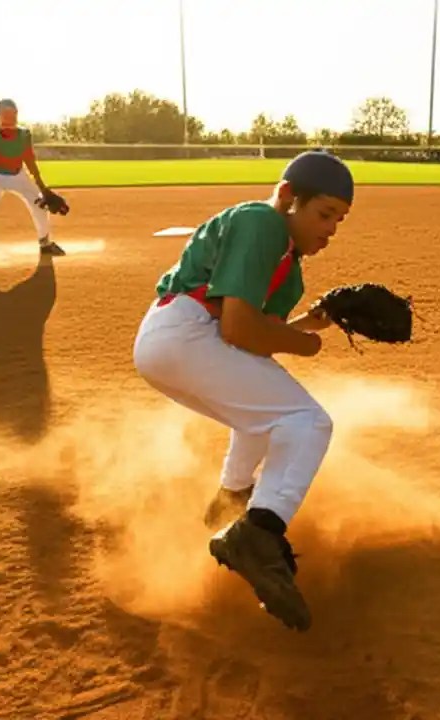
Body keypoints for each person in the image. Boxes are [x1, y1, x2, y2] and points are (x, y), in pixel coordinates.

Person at [132, 151, 354, 632]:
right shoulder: (262, 222)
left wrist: (313, 324)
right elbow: (237, 328)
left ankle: (232, 497)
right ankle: (258, 533)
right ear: (290, 197)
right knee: (309, 421)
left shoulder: (288, 267)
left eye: (339, 219)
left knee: (262, 414)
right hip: (184, 331)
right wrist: (309, 344)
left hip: (179, 343)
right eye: (324, 213)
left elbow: (255, 345)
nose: (332, 228)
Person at [0, 99, 66, 263]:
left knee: (40, 205)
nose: (11, 117)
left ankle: (45, 244)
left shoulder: (24, 135)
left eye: (13, 113)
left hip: (18, 175)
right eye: (7, 113)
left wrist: (43, 189)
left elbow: (29, 161)